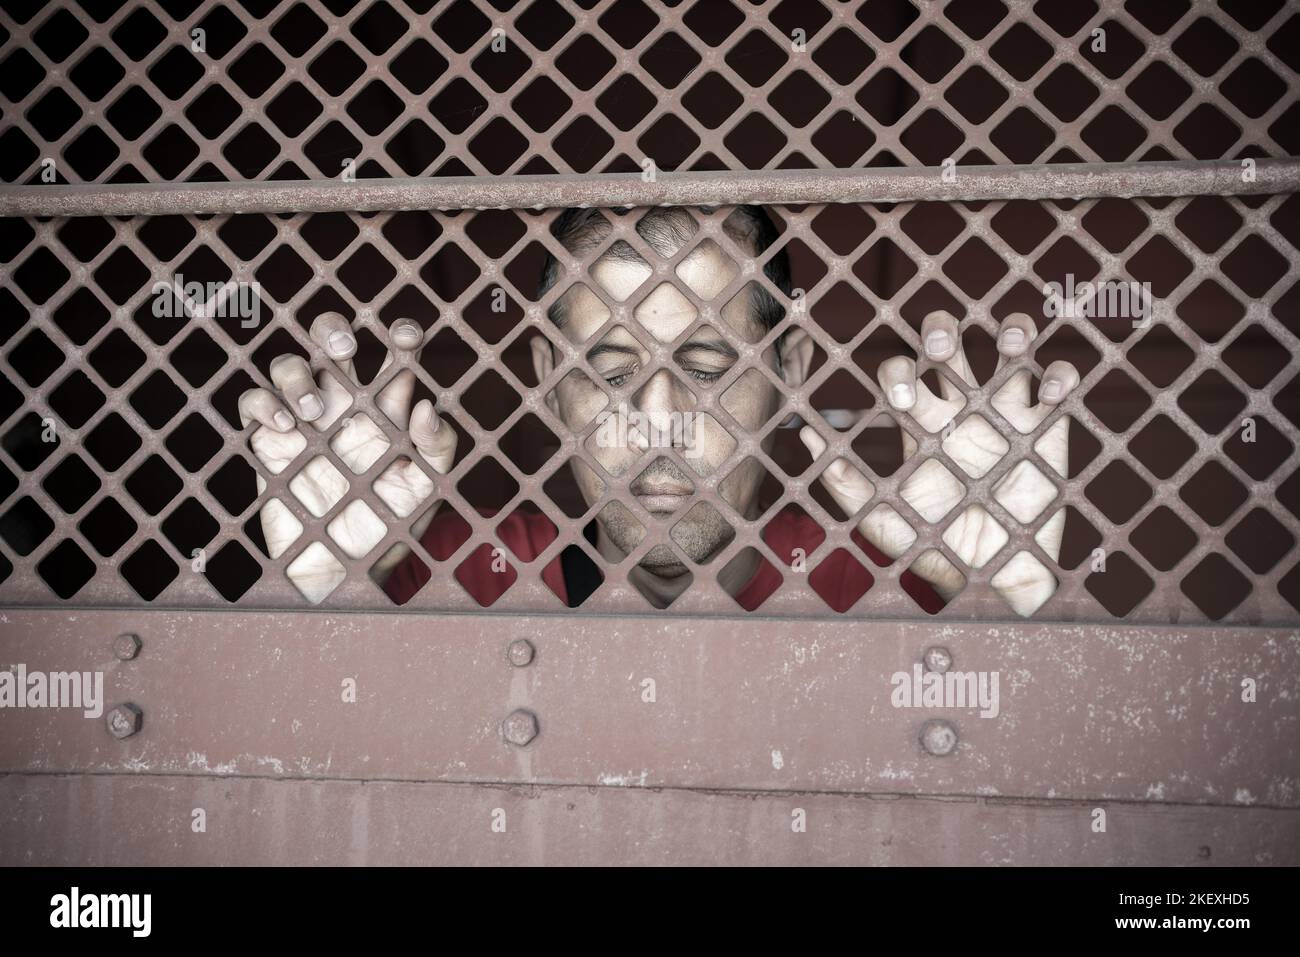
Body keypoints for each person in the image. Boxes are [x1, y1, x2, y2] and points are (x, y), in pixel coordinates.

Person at [240, 206, 1079, 616]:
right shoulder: (454, 574)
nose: (658, 415)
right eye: (609, 370)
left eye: (708, 364)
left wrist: (1012, 596)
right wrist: (318, 584)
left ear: (790, 369)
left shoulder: (883, 591)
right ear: (545, 377)